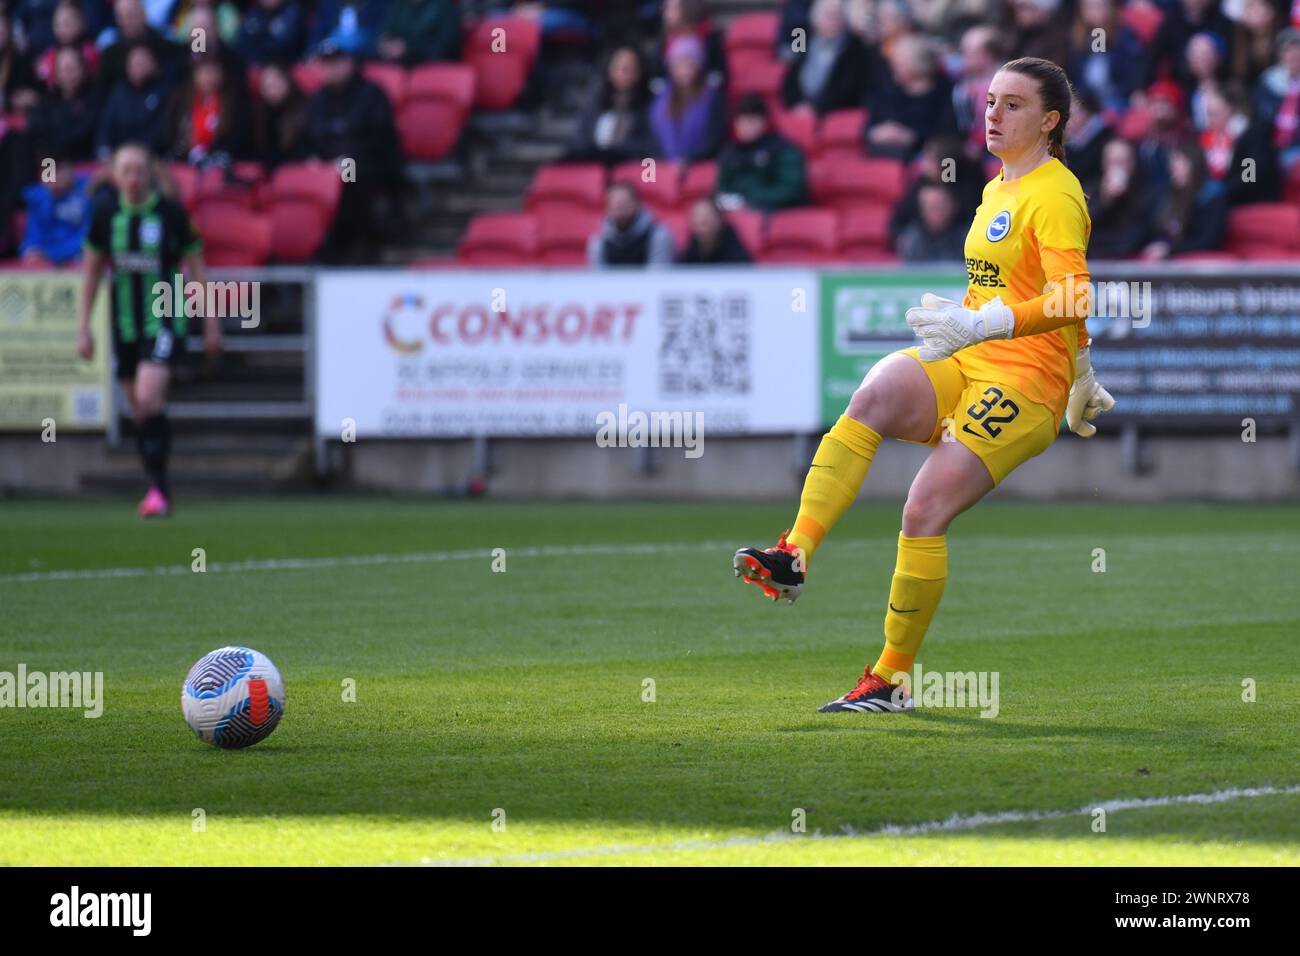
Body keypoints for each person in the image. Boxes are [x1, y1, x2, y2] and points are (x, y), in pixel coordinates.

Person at [732, 57, 1114, 714]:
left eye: (1013, 104)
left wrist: (1055, 365)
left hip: (1023, 383)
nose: (993, 113)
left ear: (1050, 122)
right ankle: (793, 554)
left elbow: (1076, 296)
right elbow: (1014, 289)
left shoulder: (1054, 194)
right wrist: (1074, 363)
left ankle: (889, 679)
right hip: (974, 356)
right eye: (991, 100)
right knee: (872, 397)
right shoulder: (999, 188)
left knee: (922, 510)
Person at [78, 142, 223, 517]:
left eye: (139, 170)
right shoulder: (106, 214)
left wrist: (210, 324)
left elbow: (198, 271)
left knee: (149, 397)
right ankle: (157, 486)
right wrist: (83, 328)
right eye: (125, 170)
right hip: (123, 324)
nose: (133, 177)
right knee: (140, 410)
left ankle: (159, 490)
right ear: (114, 174)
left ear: (151, 173)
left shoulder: (172, 214)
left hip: (163, 318)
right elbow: (92, 271)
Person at [779, 0, 874, 117]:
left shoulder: (855, 47)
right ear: (816, 19)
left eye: (838, 16)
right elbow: (791, 79)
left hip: (835, 114)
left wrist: (817, 109)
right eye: (828, 16)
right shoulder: (803, 39)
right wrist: (797, 104)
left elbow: (849, 89)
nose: (833, 21)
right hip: (801, 110)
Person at [715, 94, 807, 212]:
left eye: (751, 121)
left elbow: (792, 190)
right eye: (741, 122)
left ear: (764, 122)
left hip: (775, 211)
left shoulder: (782, 150)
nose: (746, 127)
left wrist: (751, 199)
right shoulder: (729, 153)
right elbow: (720, 190)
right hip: (736, 212)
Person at [567, 45, 656, 165]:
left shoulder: (651, 105)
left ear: (640, 71)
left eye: (630, 68)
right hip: (592, 164)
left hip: (631, 168)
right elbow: (580, 140)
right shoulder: (595, 101)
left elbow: (648, 148)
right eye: (619, 67)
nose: (624, 72)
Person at [1139, 141, 1227, 260]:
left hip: (1194, 263)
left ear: (1194, 164)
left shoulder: (1211, 195)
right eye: (1172, 161)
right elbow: (1148, 230)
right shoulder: (1165, 193)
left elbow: (1208, 241)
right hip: (1164, 260)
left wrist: (1169, 249)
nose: (1173, 167)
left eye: (1179, 161)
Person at [649, 33, 725, 162]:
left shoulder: (712, 98)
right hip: (665, 166)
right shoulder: (659, 102)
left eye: (690, 64)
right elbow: (653, 140)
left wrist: (688, 160)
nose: (685, 71)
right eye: (679, 65)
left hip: (701, 164)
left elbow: (715, 139)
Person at [19, 152, 94, 264]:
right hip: (47, 261)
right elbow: (32, 236)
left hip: (76, 257)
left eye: (59, 170)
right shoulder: (38, 198)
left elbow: (88, 236)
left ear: (70, 170)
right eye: (47, 172)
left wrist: (52, 254)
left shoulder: (87, 192)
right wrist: (30, 250)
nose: (53, 177)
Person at [587, 181, 676, 267]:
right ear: (607, 208)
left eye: (624, 203)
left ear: (637, 204)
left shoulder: (658, 236)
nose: (620, 208)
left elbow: (660, 278)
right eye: (615, 204)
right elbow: (598, 279)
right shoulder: (598, 242)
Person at [895, 180, 966, 262]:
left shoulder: (966, 239)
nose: (937, 212)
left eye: (941, 206)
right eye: (931, 207)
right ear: (921, 209)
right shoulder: (912, 241)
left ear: (954, 206)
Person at [677, 196, 750, 264]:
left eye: (706, 220)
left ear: (719, 219)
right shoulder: (690, 247)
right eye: (698, 221)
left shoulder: (733, 245)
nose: (702, 227)